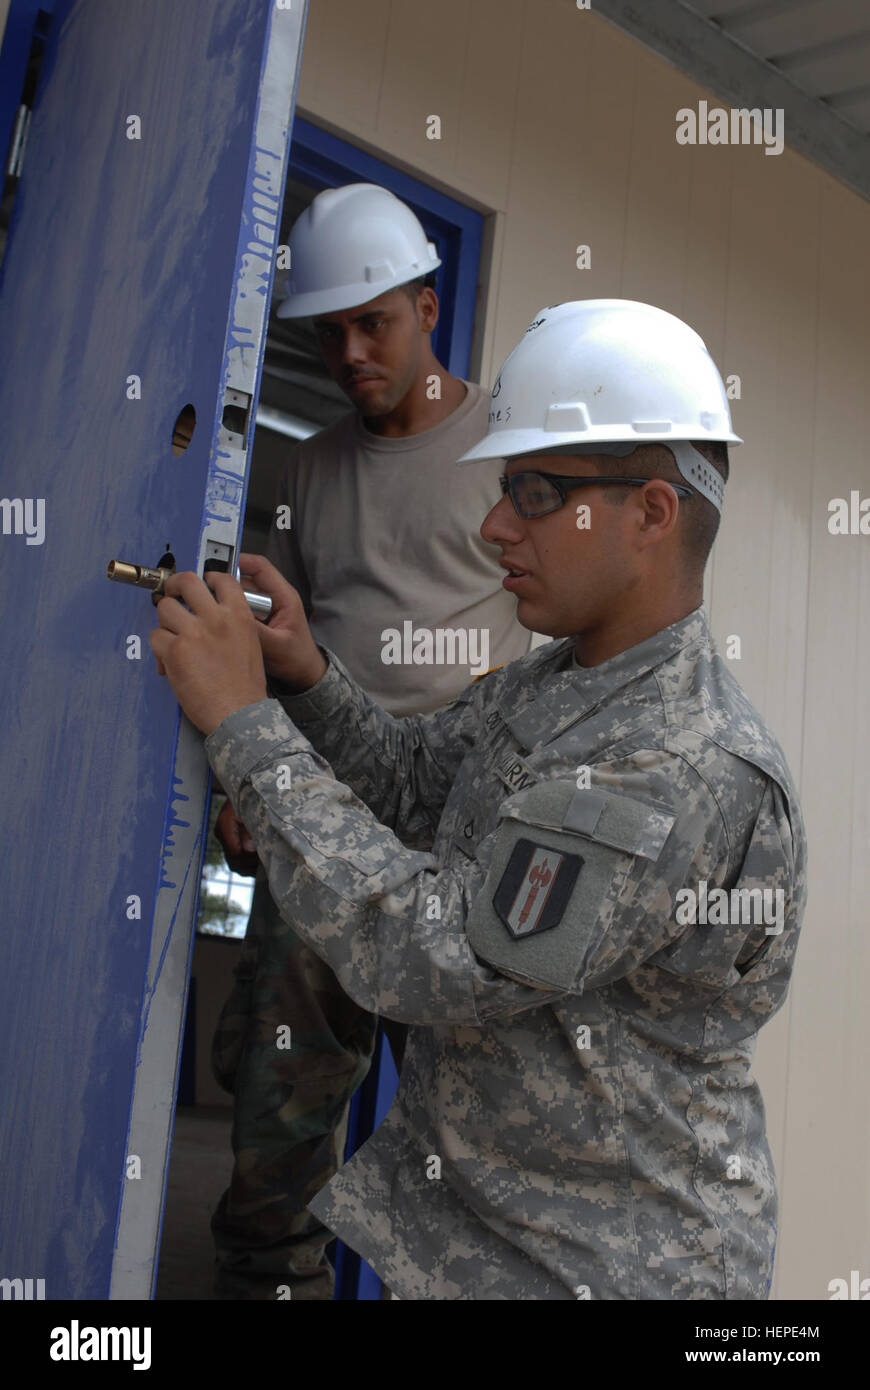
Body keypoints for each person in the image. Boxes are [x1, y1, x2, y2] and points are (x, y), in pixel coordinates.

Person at [152, 299, 807, 1300]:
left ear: (651, 513)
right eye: (505, 489)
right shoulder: (556, 682)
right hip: (487, 1248)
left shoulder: (681, 765)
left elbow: (433, 954)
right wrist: (305, 672)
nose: (497, 524)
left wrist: (242, 719)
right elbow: (415, 782)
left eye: (537, 493)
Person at [208, 181, 531, 1300]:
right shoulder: (302, 470)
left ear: (429, 308)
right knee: (277, 1114)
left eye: (374, 322)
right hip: (323, 823)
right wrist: (244, 770)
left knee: (471, 1136)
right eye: (330, 330)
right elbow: (265, 636)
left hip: (458, 837)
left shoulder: (511, 447)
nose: (350, 350)